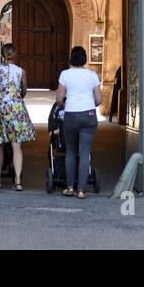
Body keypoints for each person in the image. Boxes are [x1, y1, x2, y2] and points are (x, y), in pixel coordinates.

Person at [55, 45, 102, 199]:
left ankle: (69, 187)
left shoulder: (65, 74)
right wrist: (89, 106)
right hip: (88, 115)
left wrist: (64, 105)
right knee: (84, 152)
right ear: (85, 59)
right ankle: (81, 190)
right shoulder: (92, 75)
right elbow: (99, 99)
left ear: (71, 59)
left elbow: (59, 99)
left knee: (70, 151)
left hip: (71, 115)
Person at [0, 42, 36, 190]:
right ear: (14, 55)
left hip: (1, 107)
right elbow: (24, 91)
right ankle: (18, 181)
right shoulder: (20, 71)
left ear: (3, 54)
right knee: (16, 145)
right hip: (16, 108)